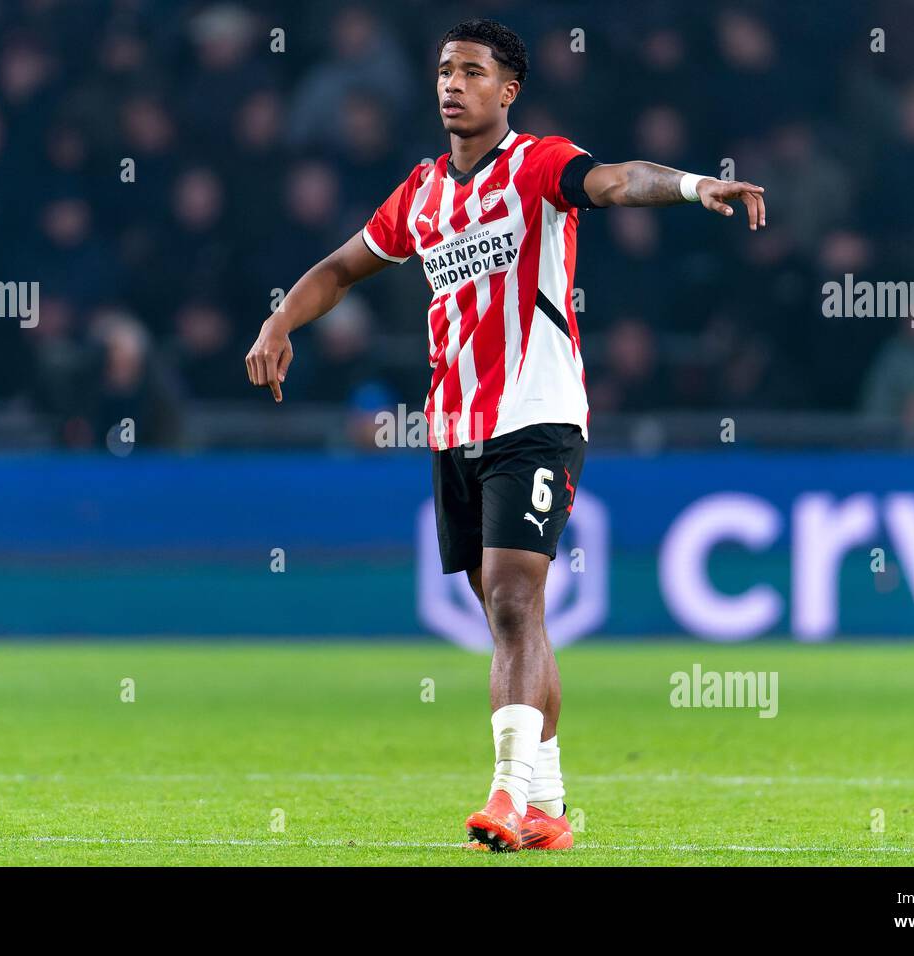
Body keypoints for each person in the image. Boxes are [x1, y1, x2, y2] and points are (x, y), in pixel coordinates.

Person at [245, 18, 766, 851]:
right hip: (454, 426)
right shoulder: (420, 194)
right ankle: (552, 810)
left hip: (539, 415)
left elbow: (619, 179)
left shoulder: (539, 163)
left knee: (517, 598)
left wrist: (694, 185)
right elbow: (343, 267)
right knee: (508, 617)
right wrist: (280, 322)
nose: (453, 83)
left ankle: (505, 793)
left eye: (473, 72)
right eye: (445, 69)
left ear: (507, 90)